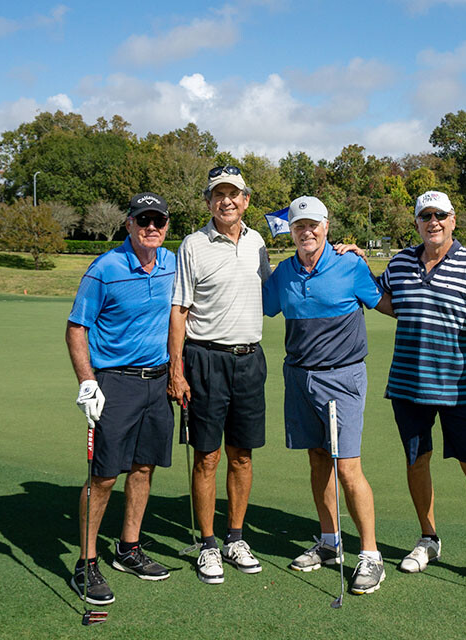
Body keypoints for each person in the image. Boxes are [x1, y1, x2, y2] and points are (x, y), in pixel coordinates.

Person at [377, 190, 466, 593]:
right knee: (416, 461)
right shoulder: (400, 262)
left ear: (453, 220)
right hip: (408, 384)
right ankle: (428, 539)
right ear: (417, 223)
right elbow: (378, 296)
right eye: (425, 216)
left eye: (440, 215)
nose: (433, 222)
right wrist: (350, 258)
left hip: (459, 387)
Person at [262, 196, 386, 595]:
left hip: (342, 378)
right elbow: (260, 305)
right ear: (291, 231)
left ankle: (371, 554)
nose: (307, 232)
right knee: (317, 459)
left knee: (347, 467)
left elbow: (385, 302)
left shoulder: (350, 265)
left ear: (326, 227)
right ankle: (330, 541)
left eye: (313, 225)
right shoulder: (284, 273)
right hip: (300, 377)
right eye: (299, 226)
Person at [66, 192, 177, 606]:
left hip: (157, 382)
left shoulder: (172, 263)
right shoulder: (105, 269)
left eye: (158, 221)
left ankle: (128, 548)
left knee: (144, 467)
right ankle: (86, 562)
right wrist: (87, 381)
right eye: (143, 220)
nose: (151, 227)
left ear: (166, 226)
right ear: (128, 224)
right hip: (115, 382)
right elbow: (77, 327)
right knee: (105, 475)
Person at [168, 166, 271, 585]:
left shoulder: (257, 242)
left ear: (246, 200)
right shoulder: (193, 244)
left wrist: (339, 255)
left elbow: (275, 288)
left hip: (250, 360)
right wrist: (176, 369)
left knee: (242, 454)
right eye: (218, 194)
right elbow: (179, 310)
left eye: (233, 194)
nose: (226, 201)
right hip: (205, 359)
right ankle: (209, 544)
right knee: (207, 455)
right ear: (209, 201)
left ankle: (235, 538)